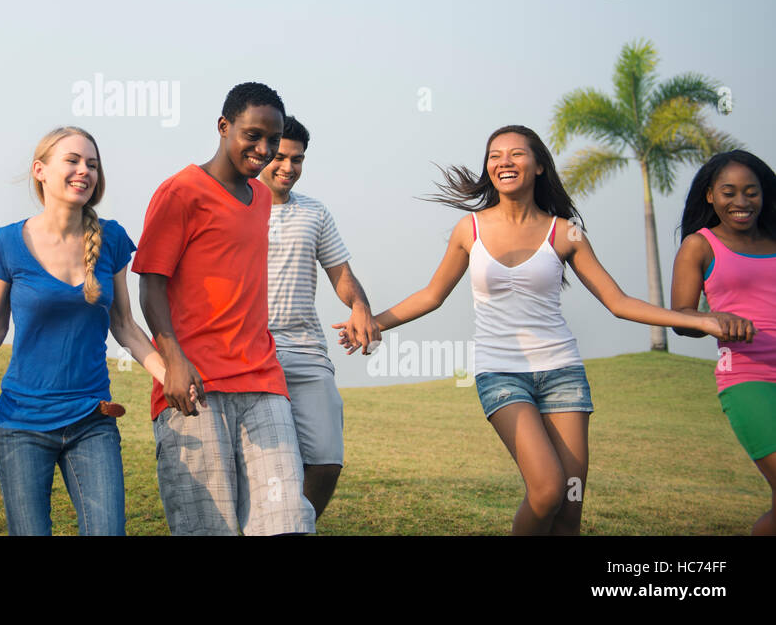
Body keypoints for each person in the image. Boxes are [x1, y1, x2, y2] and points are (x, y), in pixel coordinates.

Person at [366, 124, 752, 536]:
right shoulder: (470, 230)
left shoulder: (565, 232)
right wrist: (374, 324)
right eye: (495, 155)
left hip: (563, 373)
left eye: (516, 154)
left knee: (569, 510)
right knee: (548, 490)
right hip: (501, 374)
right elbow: (431, 294)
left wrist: (702, 319)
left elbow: (618, 302)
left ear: (538, 167)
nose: (504, 162)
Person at [0, 126, 169, 536]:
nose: (84, 171)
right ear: (40, 170)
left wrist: (170, 376)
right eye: (72, 160)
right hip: (22, 423)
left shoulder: (112, 239)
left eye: (91, 164)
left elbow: (125, 325)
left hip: (93, 420)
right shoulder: (8, 242)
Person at [135, 82, 317, 536]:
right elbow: (151, 284)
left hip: (262, 378)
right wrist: (173, 361)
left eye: (272, 140)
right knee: (207, 527)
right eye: (252, 135)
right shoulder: (181, 191)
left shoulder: (259, 200)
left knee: (288, 522)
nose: (264, 149)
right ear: (223, 127)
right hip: (194, 386)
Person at [258, 114, 381, 519]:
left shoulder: (315, 212)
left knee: (327, 460)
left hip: (306, 350)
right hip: (252, 350)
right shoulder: (235, 206)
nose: (288, 168)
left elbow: (342, 275)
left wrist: (359, 306)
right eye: (280, 157)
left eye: (298, 159)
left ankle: (295, 527)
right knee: (269, 465)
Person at [668, 151, 771, 535]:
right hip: (747, 377)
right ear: (710, 195)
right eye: (729, 192)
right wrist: (715, 320)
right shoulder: (701, 245)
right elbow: (680, 316)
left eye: (751, 192)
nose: (741, 202)